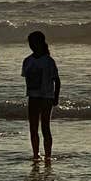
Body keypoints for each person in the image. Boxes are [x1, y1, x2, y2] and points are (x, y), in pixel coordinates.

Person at [22, 30, 60, 158]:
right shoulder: (27, 60)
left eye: (34, 42)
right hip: (33, 96)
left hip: (46, 97)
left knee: (45, 127)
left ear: (41, 43)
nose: (32, 45)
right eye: (30, 43)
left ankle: (48, 155)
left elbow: (57, 80)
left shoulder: (48, 61)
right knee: (33, 128)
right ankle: (36, 154)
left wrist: (56, 97)